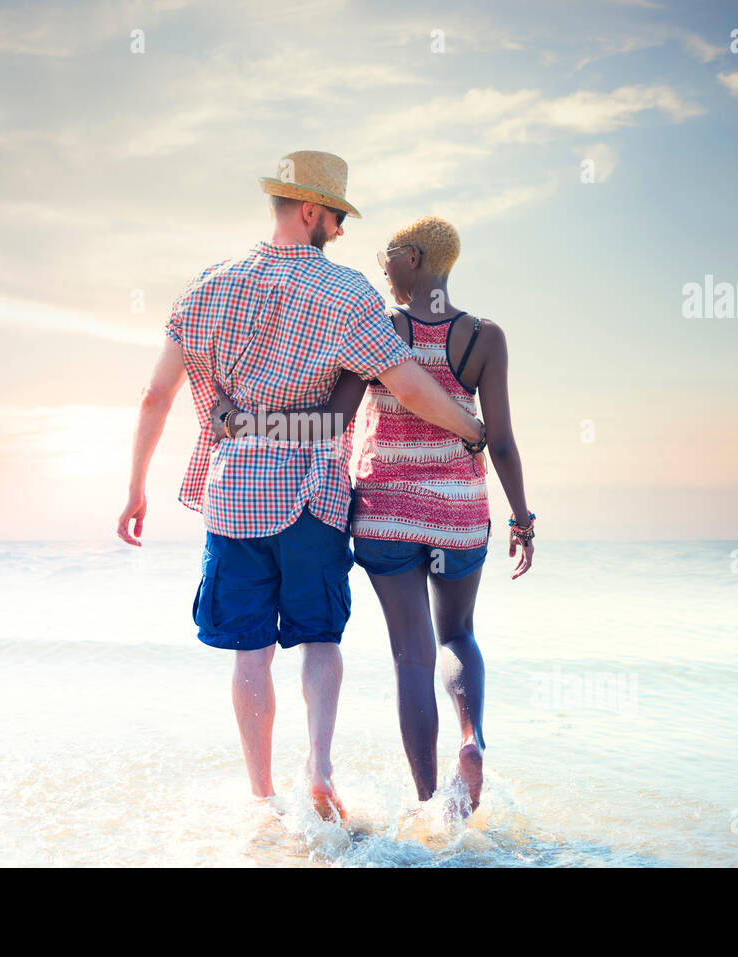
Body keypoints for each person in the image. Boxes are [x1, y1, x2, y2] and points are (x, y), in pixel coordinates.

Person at [116, 153, 488, 822]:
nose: (342, 233)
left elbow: (155, 393)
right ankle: (318, 768)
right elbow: (404, 383)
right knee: (320, 638)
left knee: (250, 651)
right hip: (313, 498)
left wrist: (136, 487)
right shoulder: (348, 294)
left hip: (233, 501)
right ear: (312, 211)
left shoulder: (207, 286)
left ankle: (262, 796)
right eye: (339, 218)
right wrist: (469, 423)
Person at [210, 215, 534, 815]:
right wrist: (522, 517)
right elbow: (503, 440)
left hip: (384, 516)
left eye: (387, 256)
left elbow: (329, 421)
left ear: (412, 257)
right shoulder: (485, 337)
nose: (381, 267)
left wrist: (244, 424)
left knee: (411, 654)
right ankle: (472, 740)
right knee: (457, 634)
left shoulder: (377, 330)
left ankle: (429, 801)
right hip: (459, 515)